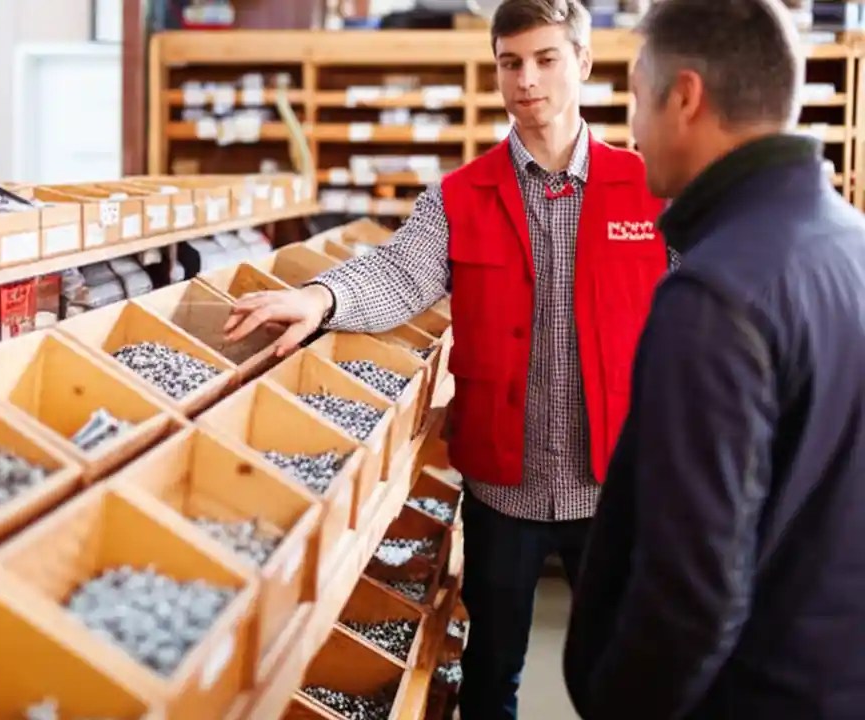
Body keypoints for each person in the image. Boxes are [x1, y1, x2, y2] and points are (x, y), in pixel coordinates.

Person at [223, 1, 674, 717]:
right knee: (491, 671)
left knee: (621, 673)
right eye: (510, 62)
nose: (526, 80)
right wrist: (320, 298)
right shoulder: (460, 197)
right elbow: (399, 273)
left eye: (546, 59)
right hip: (503, 487)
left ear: (584, 64)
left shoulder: (650, 191)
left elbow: (710, 299)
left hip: (613, 486)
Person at [562, 1, 865, 718]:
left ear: (686, 97)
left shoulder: (714, 295)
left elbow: (691, 596)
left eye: (637, 99)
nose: (633, 132)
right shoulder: (851, 246)